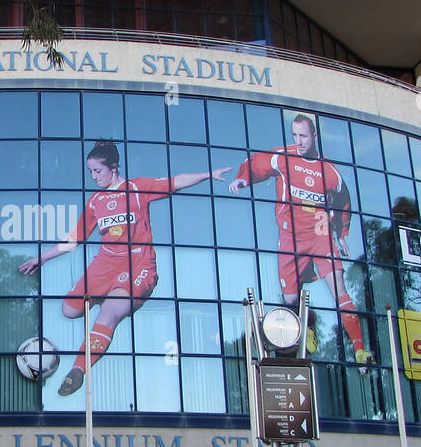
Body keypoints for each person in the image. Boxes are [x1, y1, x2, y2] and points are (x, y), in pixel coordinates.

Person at [20, 141, 230, 396]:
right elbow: (74, 239)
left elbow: (175, 181)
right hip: (105, 263)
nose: (94, 176)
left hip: (137, 263)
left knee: (107, 314)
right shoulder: (95, 201)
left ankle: (78, 369)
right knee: (69, 310)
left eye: (98, 171)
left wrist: (208, 175)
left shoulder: (137, 188)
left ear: (114, 167)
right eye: (91, 172)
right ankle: (111, 297)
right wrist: (42, 258)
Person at [228, 112, 371, 365]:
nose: (299, 140)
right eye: (295, 135)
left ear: (314, 136)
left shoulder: (329, 172)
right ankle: (308, 324)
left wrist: (342, 233)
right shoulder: (283, 157)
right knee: (291, 299)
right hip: (290, 238)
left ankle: (360, 349)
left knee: (339, 287)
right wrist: (243, 179)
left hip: (319, 234)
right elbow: (256, 163)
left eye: (303, 135)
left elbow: (343, 200)